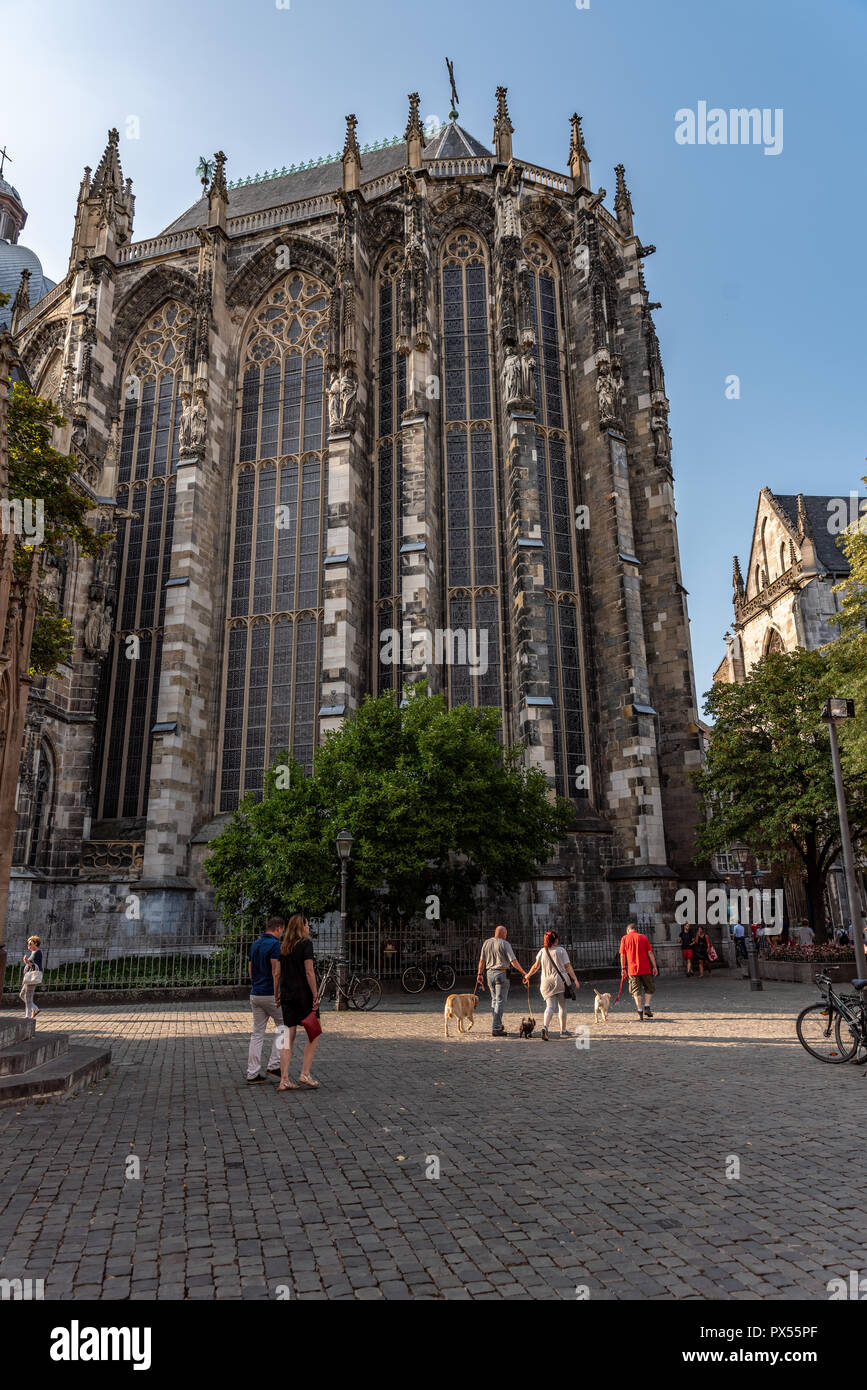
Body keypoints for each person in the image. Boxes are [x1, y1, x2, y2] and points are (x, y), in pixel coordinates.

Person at [277, 914, 321, 1090]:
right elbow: (309, 971)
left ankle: (284, 1079)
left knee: (286, 1037)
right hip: (303, 995)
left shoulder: (284, 947)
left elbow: (277, 973)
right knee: (314, 1032)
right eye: (307, 925)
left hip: (287, 995)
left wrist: (276, 994)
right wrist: (315, 994)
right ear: (301, 927)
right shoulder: (306, 944)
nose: (309, 928)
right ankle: (305, 1073)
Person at [246, 916, 285, 1083]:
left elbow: (249, 968)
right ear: (277, 928)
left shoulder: (255, 944)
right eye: (282, 930)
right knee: (285, 1027)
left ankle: (252, 1073)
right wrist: (277, 993)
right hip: (270, 993)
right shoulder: (275, 945)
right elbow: (276, 971)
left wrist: (255, 984)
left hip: (256, 993)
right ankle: (275, 1064)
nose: (282, 934)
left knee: (257, 1033)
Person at [523, 930, 580, 1040]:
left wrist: (528, 975)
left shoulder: (542, 951)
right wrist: (575, 979)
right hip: (560, 981)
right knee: (562, 1006)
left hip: (545, 982)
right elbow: (568, 966)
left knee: (550, 1006)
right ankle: (563, 1030)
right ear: (556, 940)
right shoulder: (561, 951)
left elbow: (536, 966)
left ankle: (545, 1027)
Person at [475, 925, 530, 1037]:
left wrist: (479, 974)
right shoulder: (505, 944)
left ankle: (497, 1024)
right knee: (499, 1001)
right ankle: (496, 1028)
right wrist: (524, 973)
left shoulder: (486, 943)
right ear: (503, 934)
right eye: (506, 934)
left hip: (489, 973)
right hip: (501, 973)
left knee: (494, 1000)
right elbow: (513, 961)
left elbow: (481, 961)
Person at [619, 922, 658, 1021]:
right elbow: (650, 953)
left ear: (628, 930)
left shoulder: (624, 938)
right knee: (649, 988)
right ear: (635, 929)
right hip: (645, 968)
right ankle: (647, 1006)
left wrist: (623, 968)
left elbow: (622, 955)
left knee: (636, 991)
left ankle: (640, 1010)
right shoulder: (643, 937)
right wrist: (654, 966)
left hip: (632, 970)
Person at [19, 935, 43, 1020]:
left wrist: (26, 962)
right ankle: (35, 1009)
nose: (28, 945)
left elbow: (35, 966)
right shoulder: (33, 953)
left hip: (32, 977)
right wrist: (24, 980)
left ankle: (28, 1016)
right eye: (28, 943)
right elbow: (30, 966)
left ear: (35, 943)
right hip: (28, 977)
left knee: (28, 997)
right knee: (22, 994)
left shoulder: (38, 952)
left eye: (30, 943)